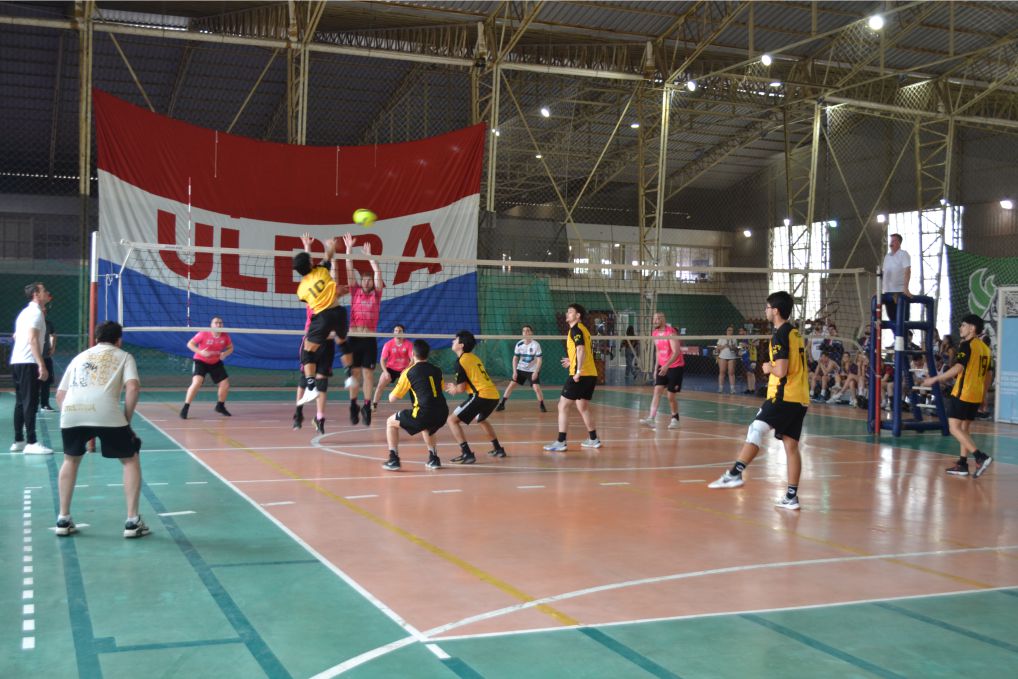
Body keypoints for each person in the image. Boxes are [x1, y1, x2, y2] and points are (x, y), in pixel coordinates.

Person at [708, 291, 810, 510]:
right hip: (800, 397)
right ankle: (791, 496)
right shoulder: (795, 333)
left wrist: (768, 368)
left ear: (776, 310)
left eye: (767, 307)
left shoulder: (781, 334)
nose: (765, 310)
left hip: (784, 395)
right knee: (791, 446)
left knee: (756, 429)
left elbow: (781, 370)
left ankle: (734, 473)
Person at [54, 321, 149, 538]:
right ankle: (133, 522)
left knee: (70, 459)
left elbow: (60, 395)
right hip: (107, 412)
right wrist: (126, 420)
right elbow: (133, 387)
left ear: (96, 338)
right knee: (130, 459)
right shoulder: (124, 356)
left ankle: (63, 518)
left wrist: (73, 415)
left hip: (71, 411)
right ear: (119, 340)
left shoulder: (79, 357)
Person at [922, 314, 993, 478]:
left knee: (953, 428)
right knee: (964, 429)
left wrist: (935, 379)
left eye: (963, 325)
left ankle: (980, 457)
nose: (960, 328)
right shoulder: (985, 348)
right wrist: (983, 396)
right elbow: (988, 375)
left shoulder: (967, 345)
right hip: (975, 394)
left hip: (963, 392)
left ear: (972, 328)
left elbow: (958, 368)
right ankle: (962, 463)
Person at [294, 233, 350, 408]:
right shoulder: (322, 271)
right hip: (339, 313)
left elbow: (307, 267)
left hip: (323, 318)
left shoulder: (301, 291)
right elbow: (328, 256)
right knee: (342, 341)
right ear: (311, 264)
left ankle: (311, 387)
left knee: (306, 354)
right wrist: (331, 245)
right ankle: (350, 376)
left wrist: (307, 248)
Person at [383, 340, 449, 471]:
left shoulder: (409, 372)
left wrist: (399, 383)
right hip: (442, 413)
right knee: (428, 426)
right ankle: (434, 458)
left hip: (423, 413)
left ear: (412, 354)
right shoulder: (437, 370)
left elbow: (392, 398)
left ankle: (393, 459)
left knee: (390, 422)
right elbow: (441, 387)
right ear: (428, 355)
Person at [543, 303, 601, 452]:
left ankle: (561, 441)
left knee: (562, 406)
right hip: (591, 374)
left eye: (570, 312)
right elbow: (583, 351)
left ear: (577, 315)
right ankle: (593, 439)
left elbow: (581, 349)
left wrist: (578, 370)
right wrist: (572, 361)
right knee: (582, 406)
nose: (567, 314)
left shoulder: (576, 329)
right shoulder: (583, 330)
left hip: (580, 375)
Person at [444, 330, 506, 464]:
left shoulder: (460, 361)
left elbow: (460, 389)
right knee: (481, 419)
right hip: (493, 395)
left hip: (481, 395)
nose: (452, 342)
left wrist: (454, 389)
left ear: (461, 345)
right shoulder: (474, 357)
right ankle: (498, 448)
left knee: (452, 420)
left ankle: (467, 453)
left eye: (455, 340)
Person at [343, 232, 384, 426]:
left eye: (369, 279)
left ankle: (366, 406)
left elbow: (378, 274)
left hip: (369, 339)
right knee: (355, 374)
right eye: (364, 279)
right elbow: (349, 269)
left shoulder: (376, 294)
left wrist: (370, 258)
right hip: (354, 337)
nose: (367, 282)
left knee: (368, 374)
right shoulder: (355, 291)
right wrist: (349, 250)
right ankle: (353, 404)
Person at [11, 282, 52, 455]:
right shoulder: (35, 313)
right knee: (30, 403)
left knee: (21, 402)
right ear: (36, 294)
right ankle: (32, 442)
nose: (47, 293)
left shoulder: (24, 313)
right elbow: (32, 339)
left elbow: (15, 336)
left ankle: (19, 440)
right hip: (28, 362)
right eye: (44, 290)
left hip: (17, 361)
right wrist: (41, 364)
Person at [180, 316, 233, 419]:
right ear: (211, 325)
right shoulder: (204, 333)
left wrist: (224, 353)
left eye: (220, 323)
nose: (218, 325)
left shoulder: (225, 336)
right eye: (216, 323)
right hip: (200, 361)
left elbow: (231, 348)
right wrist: (201, 352)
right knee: (197, 382)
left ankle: (220, 406)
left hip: (215, 362)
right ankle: (185, 408)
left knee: (225, 384)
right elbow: (190, 344)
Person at [639, 312, 684, 430]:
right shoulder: (655, 333)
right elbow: (658, 351)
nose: (656, 320)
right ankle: (651, 418)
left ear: (664, 320)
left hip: (675, 366)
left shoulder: (671, 332)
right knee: (657, 390)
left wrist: (667, 366)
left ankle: (675, 419)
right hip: (662, 366)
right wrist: (656, 368)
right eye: (654, 318)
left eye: (658, 318)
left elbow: (676, 352)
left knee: (670, 396)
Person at [495, 324, 546, 412]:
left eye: (528, 331)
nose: (526, 332)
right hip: (521, 369)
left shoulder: (536, 345)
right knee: (511, 385)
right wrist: (515, 372)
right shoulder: (519, 344)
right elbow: (515, 358)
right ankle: (502, 404)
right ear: (522, 333)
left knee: (536, 388)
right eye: (524, 331)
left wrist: (536, 372)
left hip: (532, 370)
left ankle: (542, 405)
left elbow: (539, 360)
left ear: (531, 333)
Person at [371, 324, 413, 409]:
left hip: (404, 369)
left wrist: (406, 369)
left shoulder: (409, 344)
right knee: (380, 385)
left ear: (403, 333)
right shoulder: (388, 344)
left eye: (400, 331)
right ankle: (374, 406)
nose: (397, 332)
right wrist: (386, 372)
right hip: (391, 369)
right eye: (396, 331)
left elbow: (412, 359)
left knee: (413, 386)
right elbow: (382, 360)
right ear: (393, 332)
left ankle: (416, 406)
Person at [882, 233, 912, 326]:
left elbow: (907, 270)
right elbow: (884, 274)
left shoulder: (903, 254)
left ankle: (904, 339)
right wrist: (881, 289)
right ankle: (896, 338)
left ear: (899, 242)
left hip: (899, 291)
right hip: (888, 292)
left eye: (893, 241)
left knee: (902, 319)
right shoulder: (887, 257)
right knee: (892, 318)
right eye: (891, 241)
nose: (891, 243)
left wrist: (905, 288)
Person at [38, 302, 56, 411]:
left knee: (46, 381)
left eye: (45, 312)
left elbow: (53, 336)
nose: (44, 313)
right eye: (42, 311)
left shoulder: (48, 324)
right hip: (34, 359)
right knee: (34, 383)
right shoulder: (32, 323)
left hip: (46, 357)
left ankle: (45, 404)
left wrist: (52, 347)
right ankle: (32, 405)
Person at [716, 325, 739, 394]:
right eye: (729, 330)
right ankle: (720, 388)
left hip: (732, 357)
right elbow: (718, 348)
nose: (730, 331)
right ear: (726, 331)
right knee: (722, 372)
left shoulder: (734, 338)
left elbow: (735, 349)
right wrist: (724, 346)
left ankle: (732, 389)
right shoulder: (722, 338)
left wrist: (731, 347)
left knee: (731, 373)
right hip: (722, 357)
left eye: (731, 330)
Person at [738, 327, 757, 395]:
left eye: (741, 331)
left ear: (745, 331)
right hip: (745, 359)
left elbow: (756, 344)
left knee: (751, 373)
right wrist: (740, 352)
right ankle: (749, 389)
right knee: (748, 374)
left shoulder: (750, 337)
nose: (740, 332)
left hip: (752, 358)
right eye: (739, 331)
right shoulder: (742, 340)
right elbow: (742, 350)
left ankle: (753, 389)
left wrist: (747, 345)